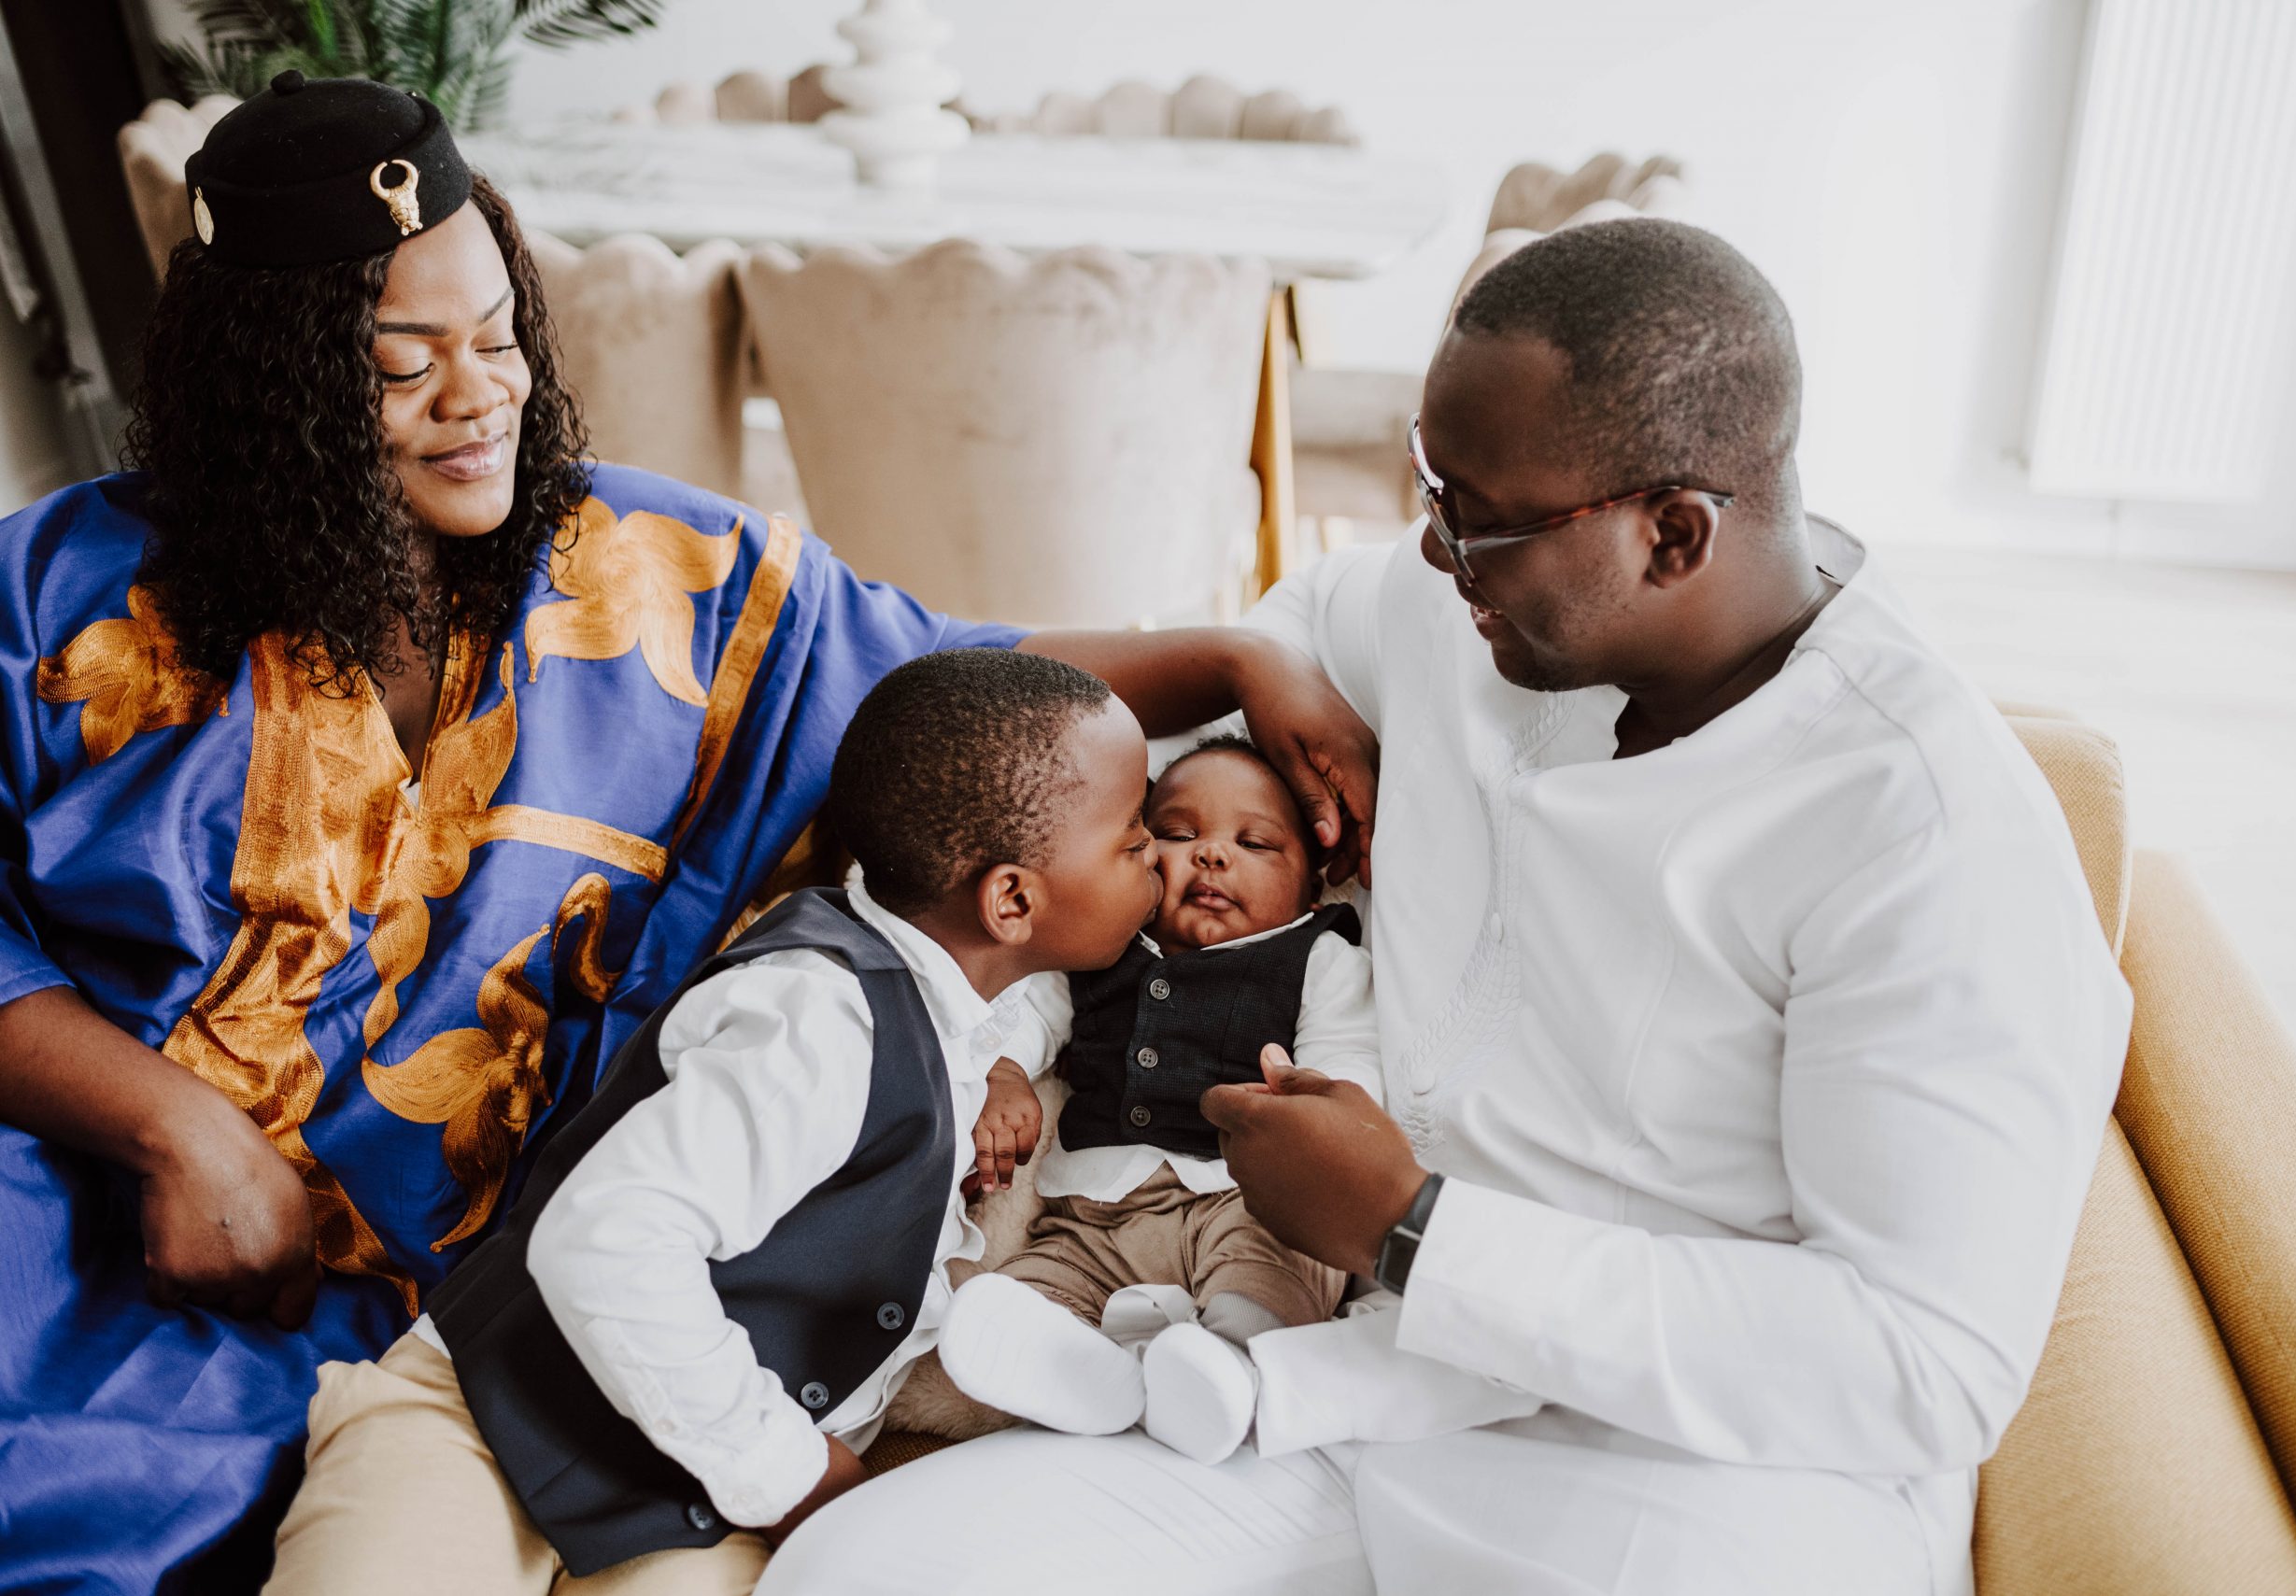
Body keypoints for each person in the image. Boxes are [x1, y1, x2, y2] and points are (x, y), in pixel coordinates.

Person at [0, 77, 1373, 1593]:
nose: (481, 397)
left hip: (524, 1292)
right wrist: (164, 1121)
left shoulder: (664, 573)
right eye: (404, 365)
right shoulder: (55, 597)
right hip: (106, 1246)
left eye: (500, 336)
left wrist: (1241, 658)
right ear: (270, 392)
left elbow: (956, 690)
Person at [769, 218, 2133, 1596]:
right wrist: (1259, 656)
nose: (1428, 552)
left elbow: (1922, 1360)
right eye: (1428, 484)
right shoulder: (1476, 616)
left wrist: (1413, 1226)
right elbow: (1213, 662)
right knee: (860, 1575)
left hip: (1688, 1481)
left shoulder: (1928, 832)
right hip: (1318, 1384)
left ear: (1675, 534)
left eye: (1472, 517)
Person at [262, 649, 1162, 1594]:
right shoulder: (821, 1019)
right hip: (491, 1418)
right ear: (1011, 898)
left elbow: (1036, 996)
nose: (1162, 857)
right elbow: (608, 1240)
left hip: (690, 1501)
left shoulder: (965, 985)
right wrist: (793, 1472)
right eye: (1136, 838)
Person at [938, 736, 1384, 1464]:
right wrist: (1007, 1075)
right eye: (1178, 835)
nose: (1211, 855)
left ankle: (1224, 1370)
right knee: (1024, 1296)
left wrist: (1325, 1113)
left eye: (1255, 842)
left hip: (1244, 1200)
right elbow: (1031, 1007)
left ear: (1310, 888)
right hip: (1094, 1214)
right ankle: (1100, 1381)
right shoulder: (1105, 942)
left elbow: (1349, 1060)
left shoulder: (1318, 955)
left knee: (1268, 1275)